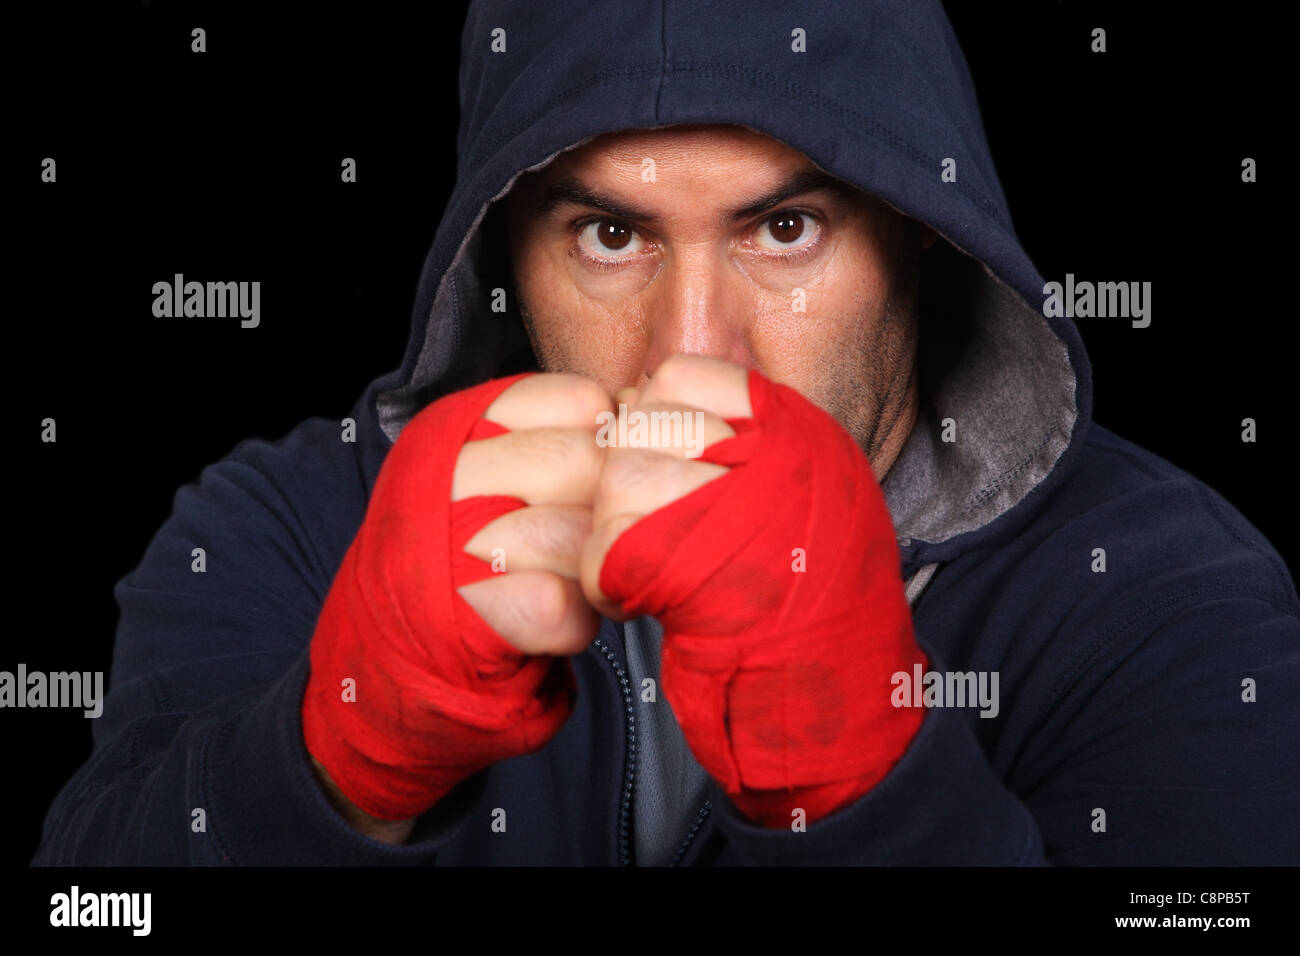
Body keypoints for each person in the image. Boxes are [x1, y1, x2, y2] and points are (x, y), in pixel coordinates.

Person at [34, 0, 1298, 866]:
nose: (693, 352)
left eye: (783, 230)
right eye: (611, 235)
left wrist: (864, 793)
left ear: (919, 226)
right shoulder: (285, 527)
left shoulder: (1162, 593)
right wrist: (328, 768)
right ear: (503, 245)